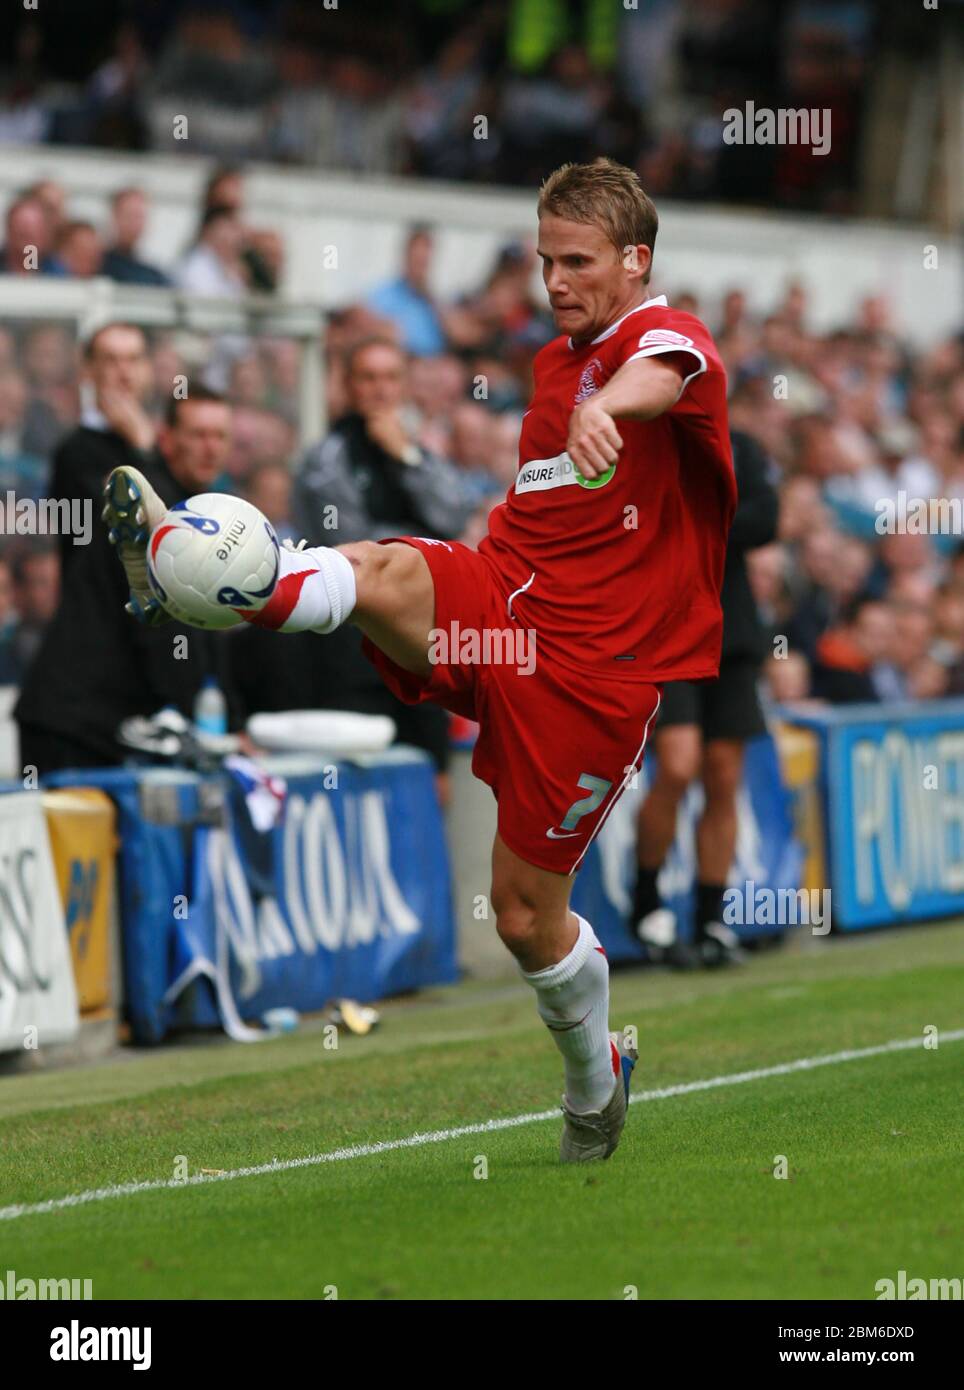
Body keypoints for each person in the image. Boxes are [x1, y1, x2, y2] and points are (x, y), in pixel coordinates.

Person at [104, 158, 736, 1164]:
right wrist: (587, 402)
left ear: (635, 260)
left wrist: (612, 403)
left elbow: (664, 365)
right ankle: (237, 582)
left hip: (591, 676)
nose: (555, 280)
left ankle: (592, 1077)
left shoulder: (661, 344)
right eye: (543, 261)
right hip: (502, 598)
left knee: (527, 918)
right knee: (386, 568)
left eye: (577, 262)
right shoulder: (551, 365)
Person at [16, 390, 241, 775]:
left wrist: (231, 724)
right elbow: (167, 636)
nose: (210, 448)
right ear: (166, 440)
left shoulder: (195, 512)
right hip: (72, 726)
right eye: (198, 435)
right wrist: (218, 733)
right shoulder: (148, 511)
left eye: (220, 436)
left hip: (105, 726)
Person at [629, 428, 779, 969]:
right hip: (666, 627)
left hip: (730, 631)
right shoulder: (639, 441)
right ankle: (647, 903)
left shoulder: (736, 443)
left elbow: (767, 518)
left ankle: (711, 917)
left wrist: (698, 519)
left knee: (722, 773)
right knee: (676, 765)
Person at [48, 322, 157, 579]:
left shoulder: (163, 442)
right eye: (111, 360)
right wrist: (142, 450)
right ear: (88, 370)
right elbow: (104, 533)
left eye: (134, 359)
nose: (124, 372)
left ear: (148, 369)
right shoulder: (72, 453)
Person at [101, 188, 170, 287]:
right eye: (129, 215)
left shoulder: (153, 275)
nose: (133, 224)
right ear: (114, 217)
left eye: (138, 216)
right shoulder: (97, 266)